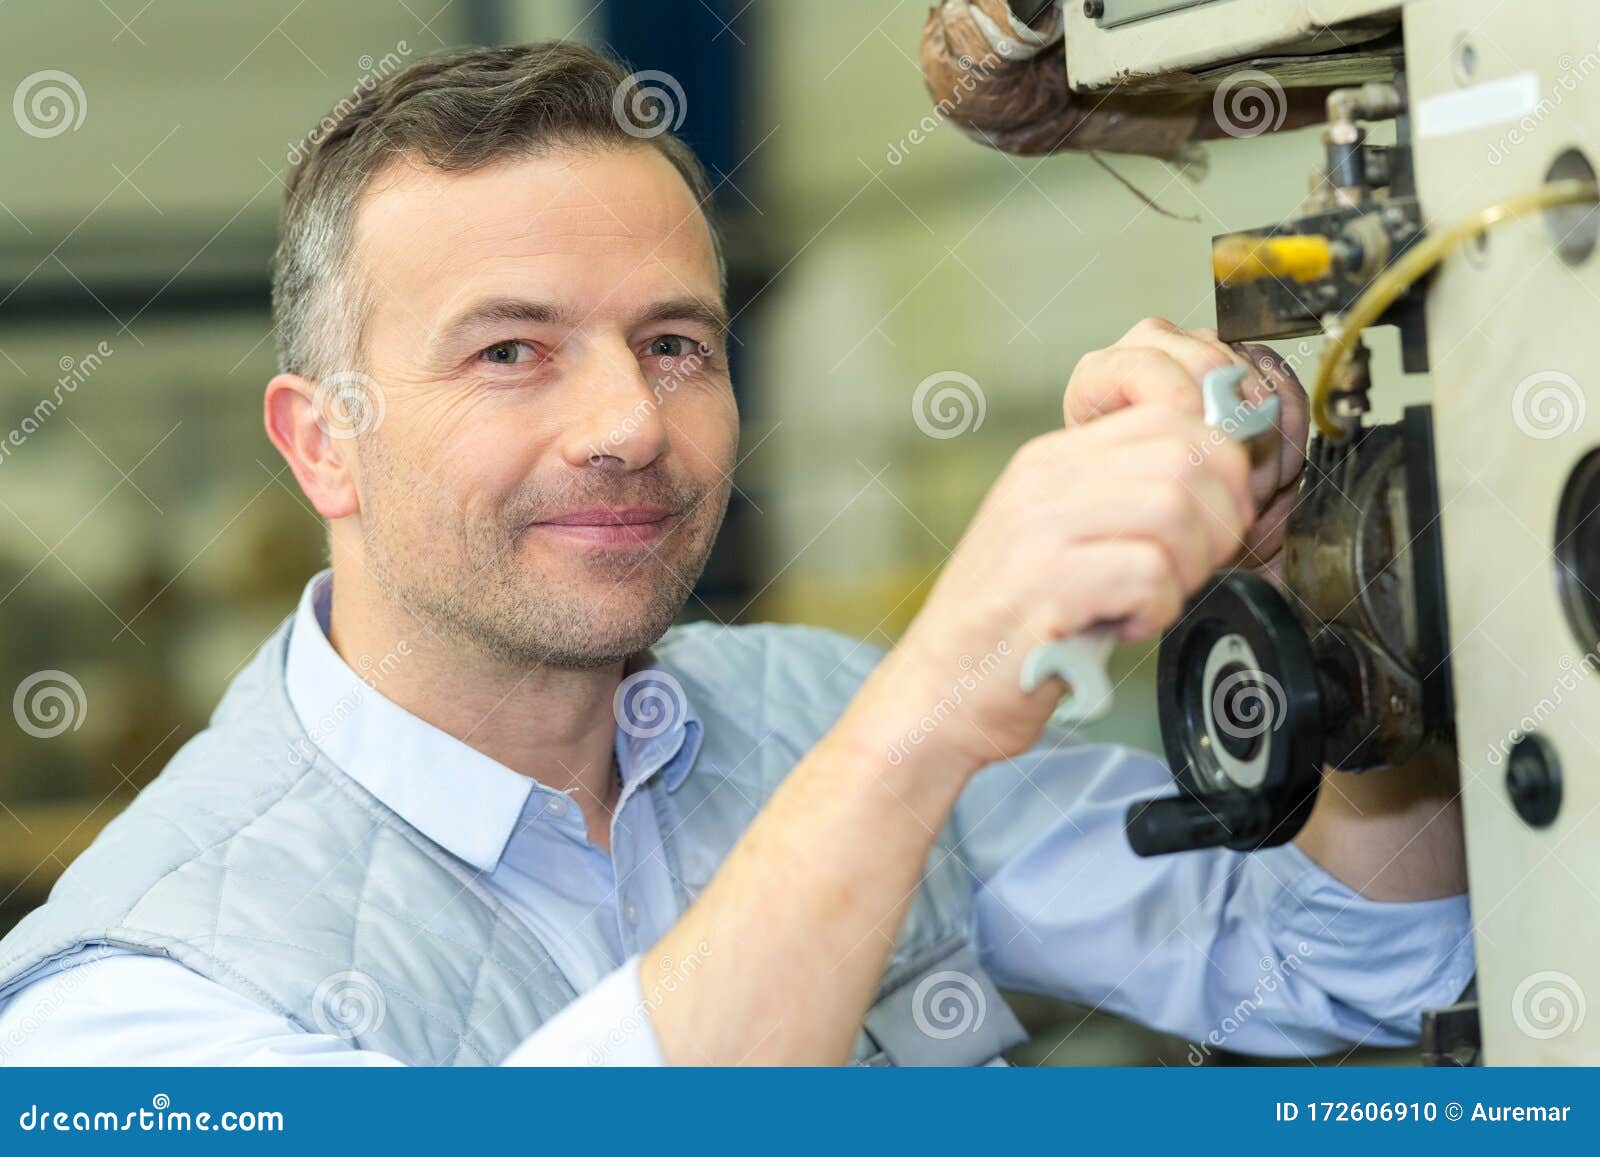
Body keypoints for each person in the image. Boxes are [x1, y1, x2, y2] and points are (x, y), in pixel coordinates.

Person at [0, 41, 1470, 1067]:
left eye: (675, 343)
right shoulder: (128, 998)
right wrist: (927, 713)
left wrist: (1319, 564)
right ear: (321, 441)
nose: (631, 421)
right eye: (512, 350)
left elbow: (1347, 960)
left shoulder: (799, 712)